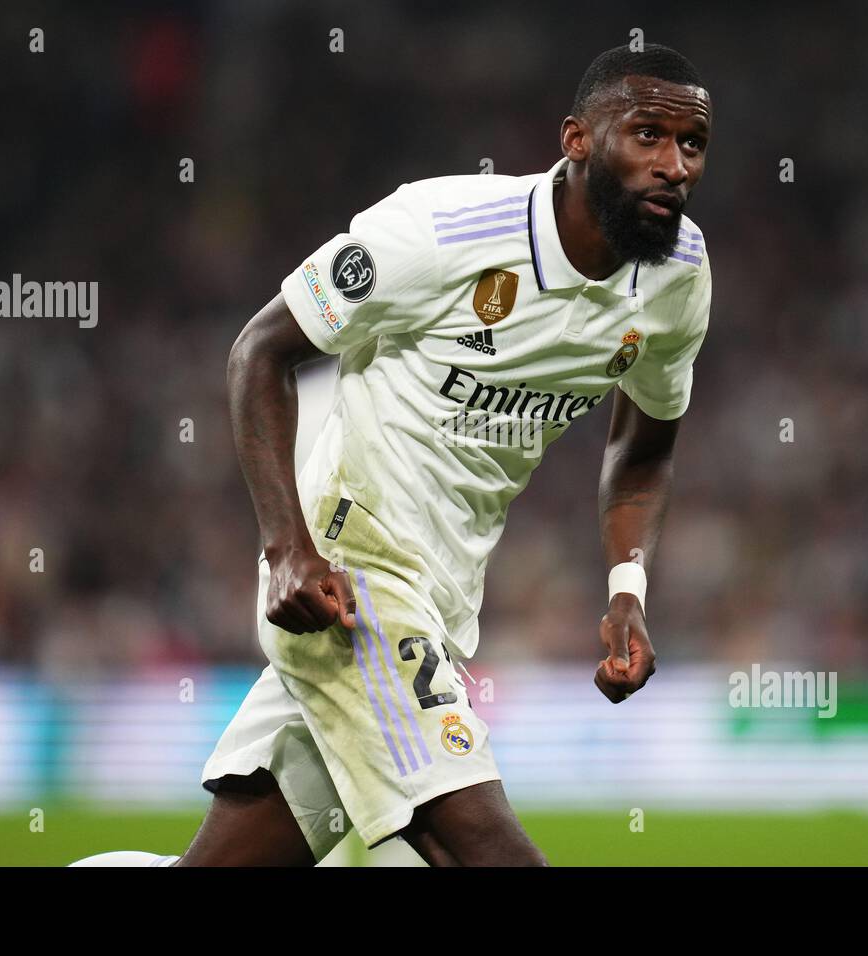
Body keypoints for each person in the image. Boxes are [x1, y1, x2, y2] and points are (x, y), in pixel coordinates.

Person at [72, 41, 713, 868]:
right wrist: (287, 550)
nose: (673, 166)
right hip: (350, 574)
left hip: (445, 596)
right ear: (578, 140)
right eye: (648, 136)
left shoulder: (678, 277)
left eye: (690, 144)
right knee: (488, 853)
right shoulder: (442, 230)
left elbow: (645, 446)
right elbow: (259, 352)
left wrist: (628, 588)